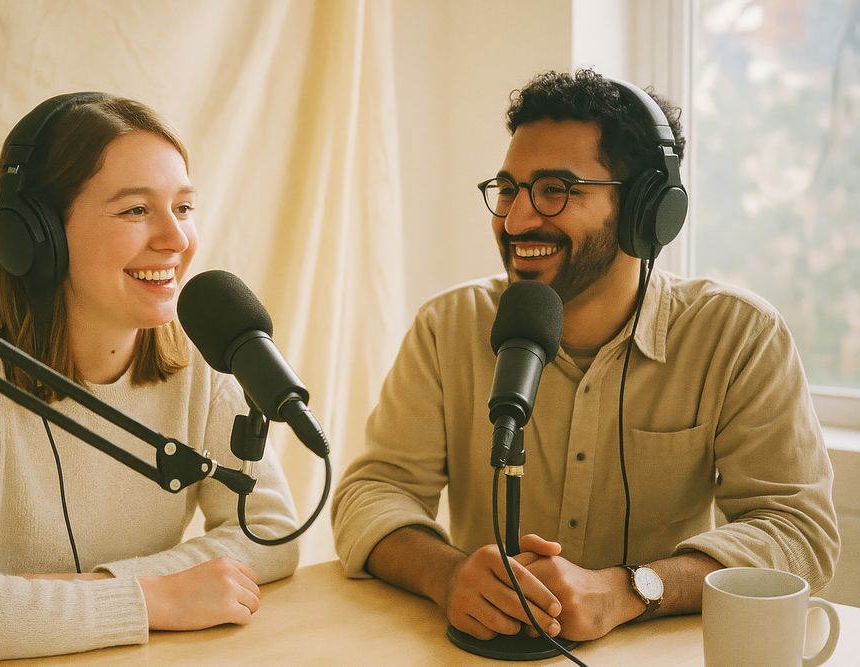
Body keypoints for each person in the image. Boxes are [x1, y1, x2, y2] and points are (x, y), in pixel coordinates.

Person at [331, 69, 839, 644]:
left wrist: (631, 589)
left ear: (646, 209)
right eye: (508, 190)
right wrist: (447, 575)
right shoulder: (447, 326)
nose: (518, 220)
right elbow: (370, 493)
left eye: (555, 190)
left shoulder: (738, 335)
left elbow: (799, 532)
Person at [0, 93, 299, 663]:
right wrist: (148, 600)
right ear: (35, 236)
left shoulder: (200, 363)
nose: (175, 239)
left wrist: (99, 589)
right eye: (135, 210)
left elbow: (270, 532)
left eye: (184, 208)